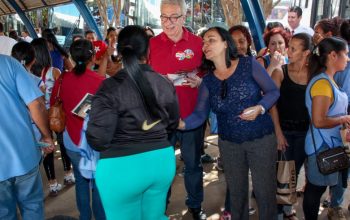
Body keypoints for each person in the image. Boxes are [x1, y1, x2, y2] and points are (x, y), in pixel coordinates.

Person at [180, 26, 280, 220]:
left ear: (226, 43)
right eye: (204, 42)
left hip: (260, 138)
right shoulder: (208, 81)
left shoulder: (248, 64)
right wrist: (181, 124)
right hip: (229, 143)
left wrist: (260, 108)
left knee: (264, 192)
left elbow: (273, 92)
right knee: (236, 194)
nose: (205, 45)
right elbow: (200, 114)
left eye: (211, 40)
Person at [86, 25, 180, 220]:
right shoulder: (164, 83)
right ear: (148, 50)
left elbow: (98, 139)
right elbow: (172, 124)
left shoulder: (110, 86)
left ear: (119, 52)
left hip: (121, 169)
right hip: (161, 163)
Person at [148, 0, 207, 218]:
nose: (168, 22)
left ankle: (195, 204)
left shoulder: (198, 43)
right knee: (162, 166)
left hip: (191, 116)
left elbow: (209, 73)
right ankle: (160, 205)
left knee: (193, 164)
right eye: (164, 17)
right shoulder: (152, 44)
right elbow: (142, 76)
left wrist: (200, 80)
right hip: (162, 118)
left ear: (184, 17)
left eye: (173, 17)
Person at [50, 39, 107, 220]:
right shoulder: (100, 81)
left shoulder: (61, 80)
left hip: (71, 142)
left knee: (81, 182)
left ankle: (84, 216)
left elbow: (53, 104)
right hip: (96, 143)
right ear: (92, 57)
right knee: (99, 183)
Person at [0, 54, 54, 220]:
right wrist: (47, 135)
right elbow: (36, 104)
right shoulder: (8, 63)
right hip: (24, 155)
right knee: (32, 208)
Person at [302, 37, 350, 220]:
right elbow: (319, 120)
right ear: (332, 55)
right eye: (345, 54)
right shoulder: (322, 84)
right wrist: (344, 118)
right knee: (315, 190)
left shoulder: (329, 80)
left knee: (317, 188)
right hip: (320, 147)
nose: (347, 58)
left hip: (328, 145)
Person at [270, 33, 313, 220]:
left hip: (305, 132)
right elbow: (271, 104)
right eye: (289, 47)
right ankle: (279, 213)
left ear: (306, 53)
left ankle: (287, 208)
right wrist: (278, 132)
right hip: (285, 131)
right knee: (283, 174)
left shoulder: (314, 75)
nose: (288, 51)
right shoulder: (280, 72)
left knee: (295, 171)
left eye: (294, 49)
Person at [31, 38, 76, 196]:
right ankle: (68, 174)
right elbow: (63, 92)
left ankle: (52, 184)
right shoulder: (54, 71)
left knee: (46, 148)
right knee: (62, 145)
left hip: (39, 117)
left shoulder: (28, 74)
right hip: (56, 116)